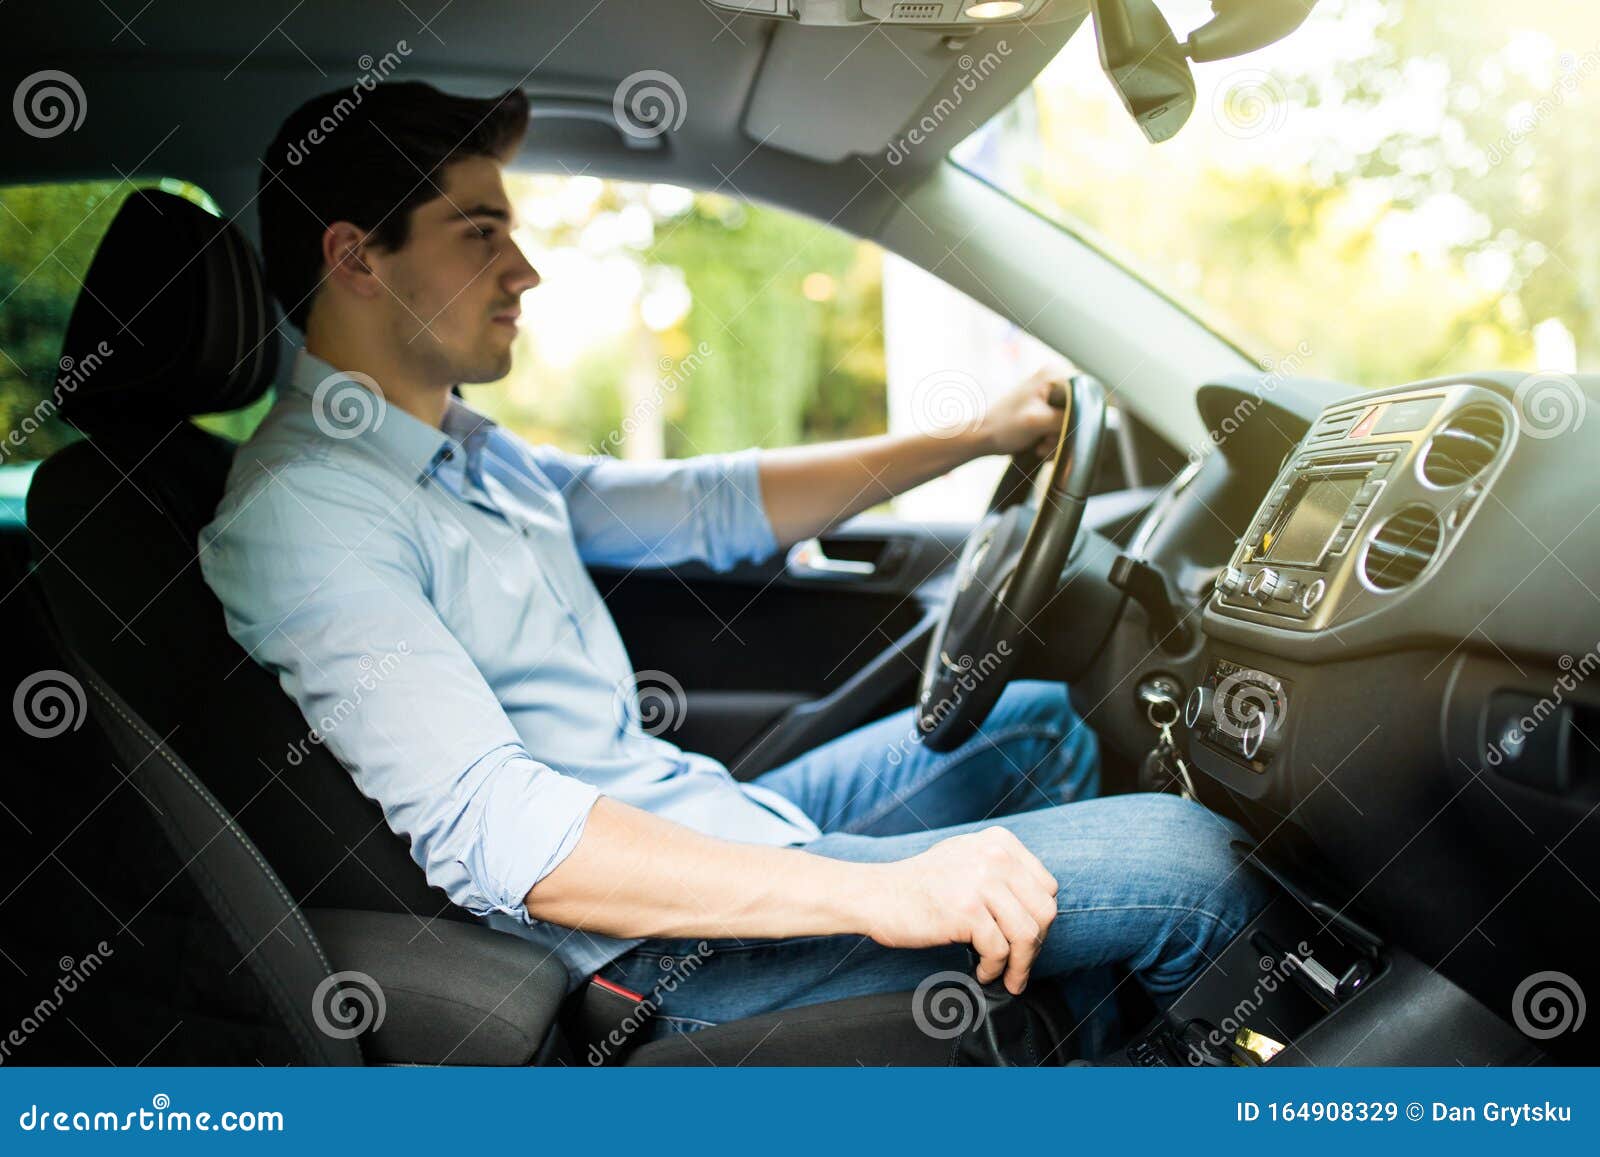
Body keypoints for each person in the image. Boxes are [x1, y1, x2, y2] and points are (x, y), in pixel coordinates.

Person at [200, 82, 1268, 1051]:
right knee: (1193, 865)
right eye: (480, 234)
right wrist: (877, 890)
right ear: (354, 257)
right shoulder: (309, 509)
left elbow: (707, 505)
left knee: (1035, 722)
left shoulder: (472, 452)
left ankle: (1054, 1047)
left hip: (701, 818)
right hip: (649, 955)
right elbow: (500, 829)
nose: (524, 270)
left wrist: (975, 436)